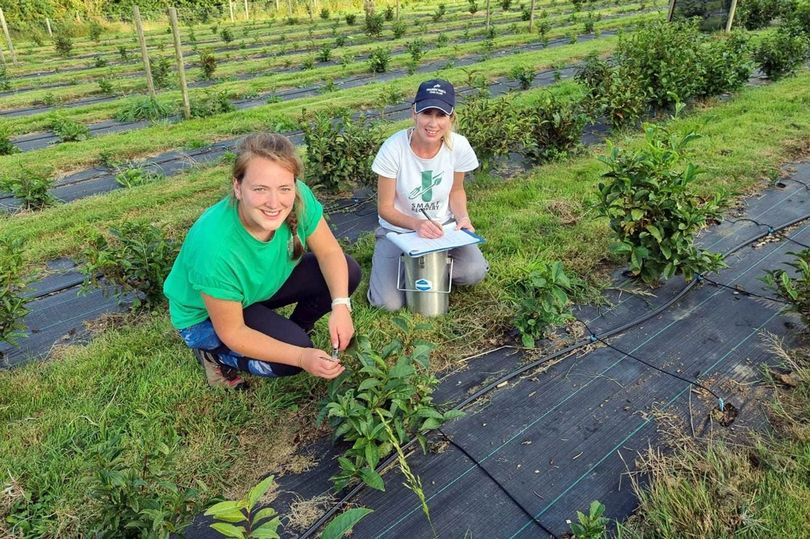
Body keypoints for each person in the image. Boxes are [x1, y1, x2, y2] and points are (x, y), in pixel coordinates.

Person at [164, 133, 361, 389]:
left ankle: (295, 330)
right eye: (259, 189)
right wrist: (301, 356)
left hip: (257, 287)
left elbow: (329, 253)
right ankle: (213, 355)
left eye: (284, 188)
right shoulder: (215, 247)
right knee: (290, 361)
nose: (274, 202)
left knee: (349, 272)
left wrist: (341, 306)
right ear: (238, 187)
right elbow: (233, 332)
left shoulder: (298, 197)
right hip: (206, 316)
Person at [368, 79, 488, 311]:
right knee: (387, 304)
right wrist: (416, 224)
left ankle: (424, 269)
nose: (433, 123)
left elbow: (456, 189)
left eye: (441, 115)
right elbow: (385, 208)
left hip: (443, 230)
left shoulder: (458, 147)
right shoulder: (393, 149)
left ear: (451, 118)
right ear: (414, 113)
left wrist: (462, 217)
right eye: (426, 113)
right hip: (399, 232)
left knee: (474, 271)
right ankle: (410, 265)